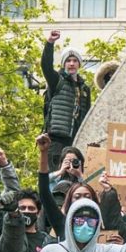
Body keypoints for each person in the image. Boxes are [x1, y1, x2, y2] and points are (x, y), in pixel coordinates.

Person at [41, 30, 92, 171]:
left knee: (73, 176)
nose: (71, 64)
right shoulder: (57, 81)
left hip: (75, 141)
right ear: (64, 64)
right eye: (68, 61)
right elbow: (45, 66)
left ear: (79, 64)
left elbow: (88, 116)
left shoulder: (85, 89)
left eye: (75, 61)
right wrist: (50, 43)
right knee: (55, 176)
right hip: (55, 141)